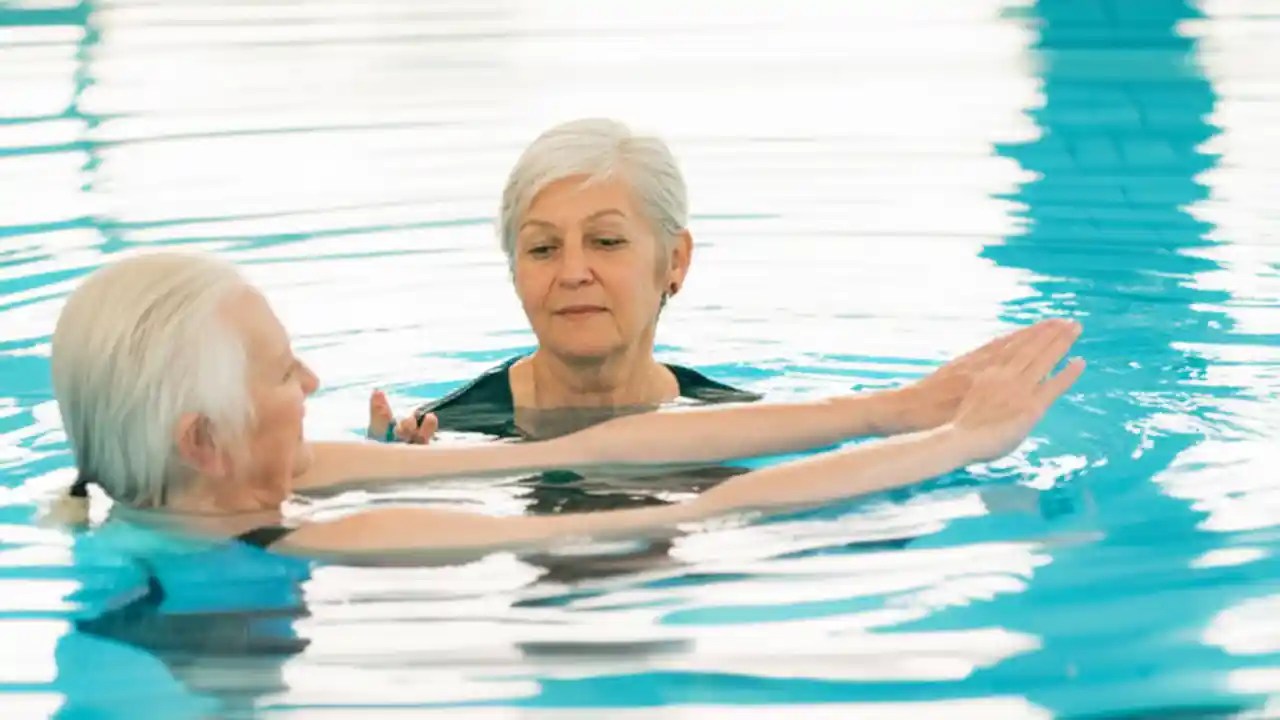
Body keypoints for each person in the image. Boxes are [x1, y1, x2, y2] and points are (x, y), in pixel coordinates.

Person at [53, 251, 1084, 563]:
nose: (312, 386)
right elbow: (684, 517)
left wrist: (889, 408)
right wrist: (961, 443)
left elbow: (611, 442)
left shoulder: (143, 495)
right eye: (282, 375)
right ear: (207, 440)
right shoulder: (320, 539)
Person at [367, 117, 758, 445]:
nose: (572, 274)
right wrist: (393, 480)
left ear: (675, 261)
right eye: (542, 249)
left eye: (606, 241)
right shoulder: (447, 437)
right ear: (514, 270)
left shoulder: (743, 427)